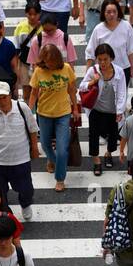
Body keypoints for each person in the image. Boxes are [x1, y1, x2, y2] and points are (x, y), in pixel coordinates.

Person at [0, 82, 39, 219]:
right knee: (0, 192)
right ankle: (5, 213)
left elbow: (33, 130)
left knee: (26, 189)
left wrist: (34, 148)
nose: (1, 101)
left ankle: (25, 204)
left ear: (10, 95)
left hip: (21, 159)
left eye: (4, 97)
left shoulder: (22, 108)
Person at [29, 43, 79, 194]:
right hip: (43, 114)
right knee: (44, 145)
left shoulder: (66, 69)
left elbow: (71, 89)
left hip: (63, 113)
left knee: (62, 150)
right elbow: (33, 93)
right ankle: (58, 163)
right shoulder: (38, 71)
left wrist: (75, 108)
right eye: (46, 61)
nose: (49, 65)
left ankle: (60, 178)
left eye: (51, 61)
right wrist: (27, 112)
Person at [79, 42, 127, 177]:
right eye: (99, 59)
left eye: (105, 59)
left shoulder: (119, 72)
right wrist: (92, 82)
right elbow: (81, 87)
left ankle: (109, 153)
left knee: (113, 135)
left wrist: (120, 111)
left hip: (112, 111)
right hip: (96, 109)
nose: (102, 62)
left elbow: (122, 92)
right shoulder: (93, 71)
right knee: (93, 135)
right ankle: (96, 160)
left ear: (111, 58)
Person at [87, 0, 133, 84]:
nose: (112, 15)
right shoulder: (98, 29)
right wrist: (88, 72)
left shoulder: (126, 26)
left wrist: (132, 68)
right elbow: (90, 52)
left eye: (114, 12)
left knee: (121, 96)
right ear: (103, 13)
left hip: (123, 69)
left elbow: (131, 50)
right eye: (108, 12)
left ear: (118, 12)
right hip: (103, 70)